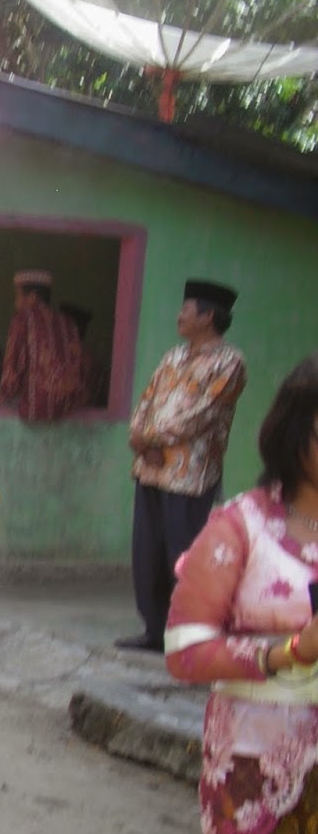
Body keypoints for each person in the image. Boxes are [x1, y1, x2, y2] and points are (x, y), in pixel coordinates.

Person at [144, 353, 318, 834]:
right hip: (257, 774)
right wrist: (284, 653)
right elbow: (185, 649)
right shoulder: (241, 526)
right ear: (298, 433)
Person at [119, 280, 247, 653]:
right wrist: (139, 437)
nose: (179, 316)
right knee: (147, 553)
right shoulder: (173, 357)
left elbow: (203, 414)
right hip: (151, 468)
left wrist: (152, 438)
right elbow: (147, 399)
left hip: (190, 475)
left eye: (186, 310)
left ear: (208, 316)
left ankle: (189, 633)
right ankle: (155, 630)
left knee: (183, 556)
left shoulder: (230, 363)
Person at [0, 270, 84, 421]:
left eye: (18, 296)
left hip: (34, 409)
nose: (15, 302)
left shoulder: (22, 321)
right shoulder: (68, 323)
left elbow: (13, 368)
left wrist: (1, 396)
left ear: (33, 297)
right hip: (67, 408)